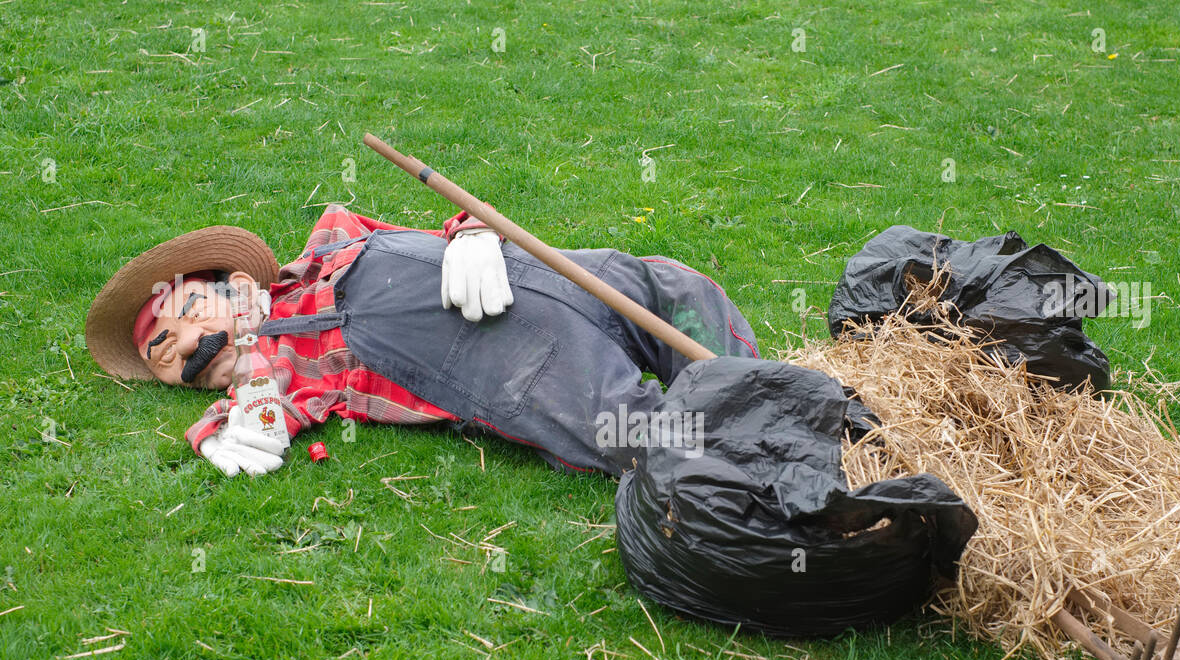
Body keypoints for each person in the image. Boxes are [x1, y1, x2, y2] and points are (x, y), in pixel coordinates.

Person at [85, 204, 761, 477]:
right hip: (518, 363)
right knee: (653, 439)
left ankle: (813, 407)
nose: (186, 348)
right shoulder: (277, 371)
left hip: (538, 273)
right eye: (165, 356)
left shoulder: (333, 237)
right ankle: (806, 477)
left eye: (187, 316)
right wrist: (214, 430)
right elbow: (251, 414)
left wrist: (470, 232)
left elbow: (444, 218)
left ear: (234, 284)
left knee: (679, 296)